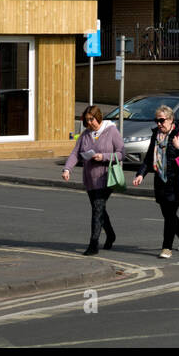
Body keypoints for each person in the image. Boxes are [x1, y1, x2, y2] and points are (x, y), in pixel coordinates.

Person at [131, 105, 179, 259]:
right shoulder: (156, 136)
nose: (159, 124)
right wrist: (141, 174)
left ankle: (166, 247)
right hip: (160, 181)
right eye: (157, 121)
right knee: (167, 213)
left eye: (161, 120)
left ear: (170, 119)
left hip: (176, 183)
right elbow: (149, 158)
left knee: (170, 215)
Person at [61, 105, 123, 256]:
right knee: (99, 210)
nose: (89, 123)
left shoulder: (111, 131)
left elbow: (121, 153)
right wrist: (67, 169)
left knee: (97, 209)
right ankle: (111, 234)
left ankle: (93, 244)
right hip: (90, 179)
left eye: (92, 119)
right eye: (87, 120)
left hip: (106, 177)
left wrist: (103, 157)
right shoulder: (85, 134)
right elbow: (75, 153)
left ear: (99, 117)